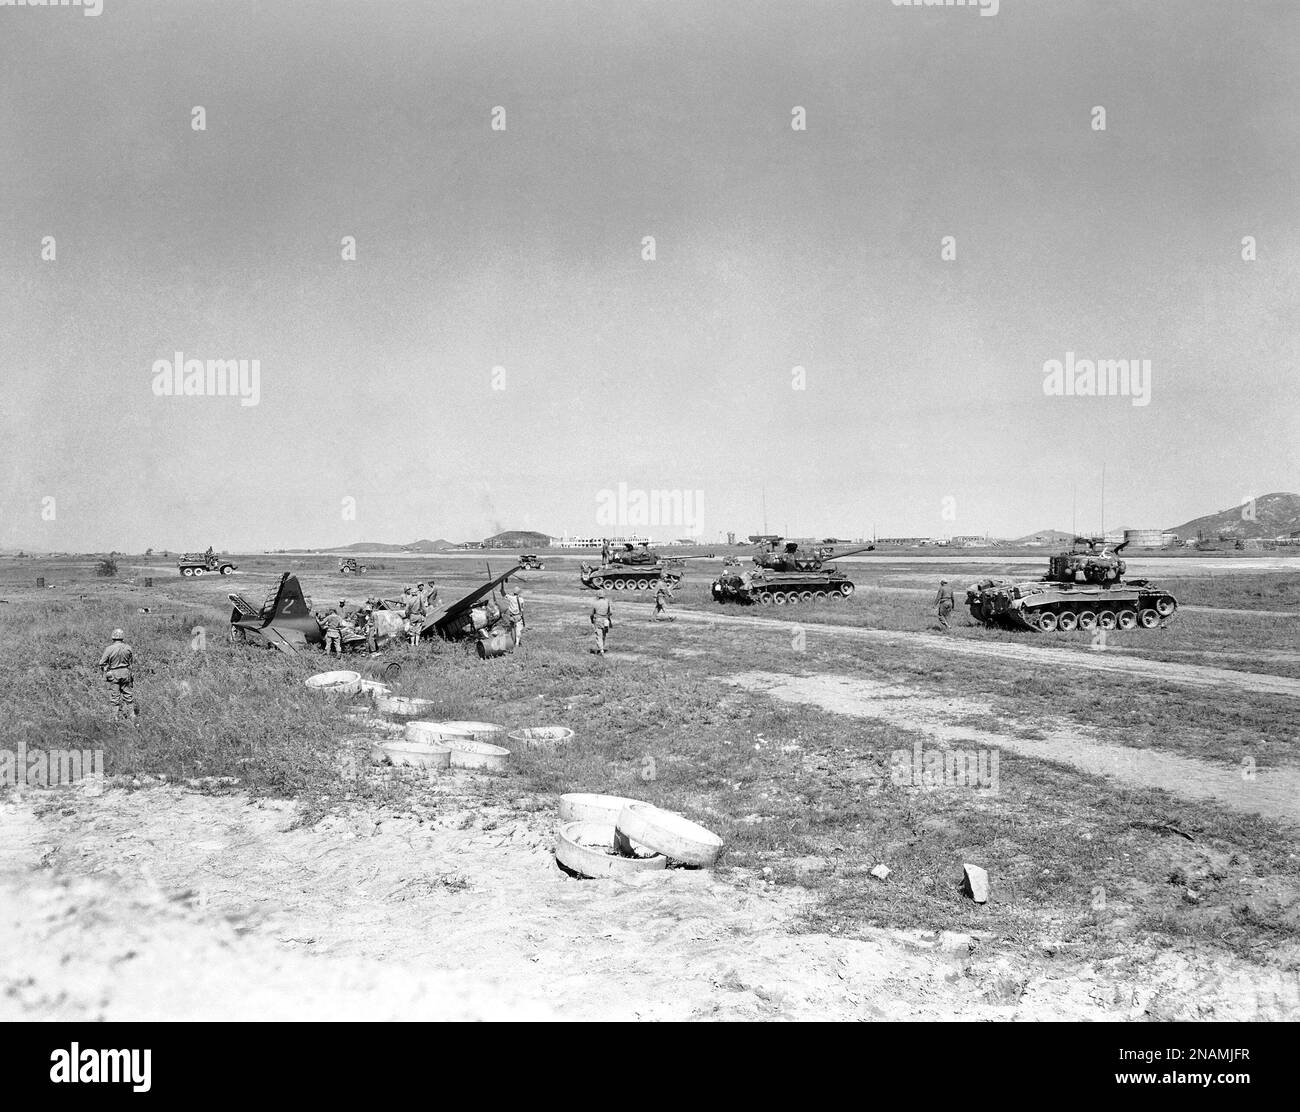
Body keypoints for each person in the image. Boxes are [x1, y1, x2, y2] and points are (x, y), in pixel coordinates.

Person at [98, 628, 138, 721]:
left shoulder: (109, 649)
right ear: (122, 637)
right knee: (128, 695)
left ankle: (114, 718)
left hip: (114, 674)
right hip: (126, 673)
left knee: (115, 697)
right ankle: (132, 716)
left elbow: (102, 663)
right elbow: (131, 662)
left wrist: (106, 670)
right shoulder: (128, 647)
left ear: (113, 637)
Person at [590, 590, 613, 654]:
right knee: (604, 635)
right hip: (606, 620)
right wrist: (607, 616)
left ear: (598, 595)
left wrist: (592, 620)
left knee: (599, 635)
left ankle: (601, 650)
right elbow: (611, 612)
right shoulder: (607, 602)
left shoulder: (595, 603)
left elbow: (592, 614)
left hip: (598, 620)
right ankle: (602, 647)